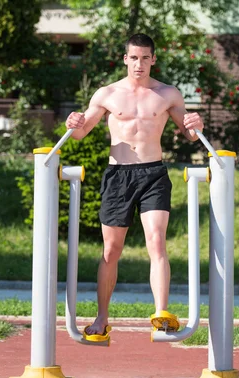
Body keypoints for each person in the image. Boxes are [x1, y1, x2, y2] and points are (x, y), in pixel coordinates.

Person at [65, 33, 204, 340]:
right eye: (134, 58)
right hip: (118, 176)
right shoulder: (108, 94)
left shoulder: (167, 94)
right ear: (125, 59)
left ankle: (162, 313)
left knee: (156, 241)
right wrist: (72, 124)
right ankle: (102, 319)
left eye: (145, 58)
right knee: (111, 251)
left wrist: (197, 126)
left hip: (154, 173)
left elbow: (188, 134)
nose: (139, 64)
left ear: (153, 59)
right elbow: (81, 132)